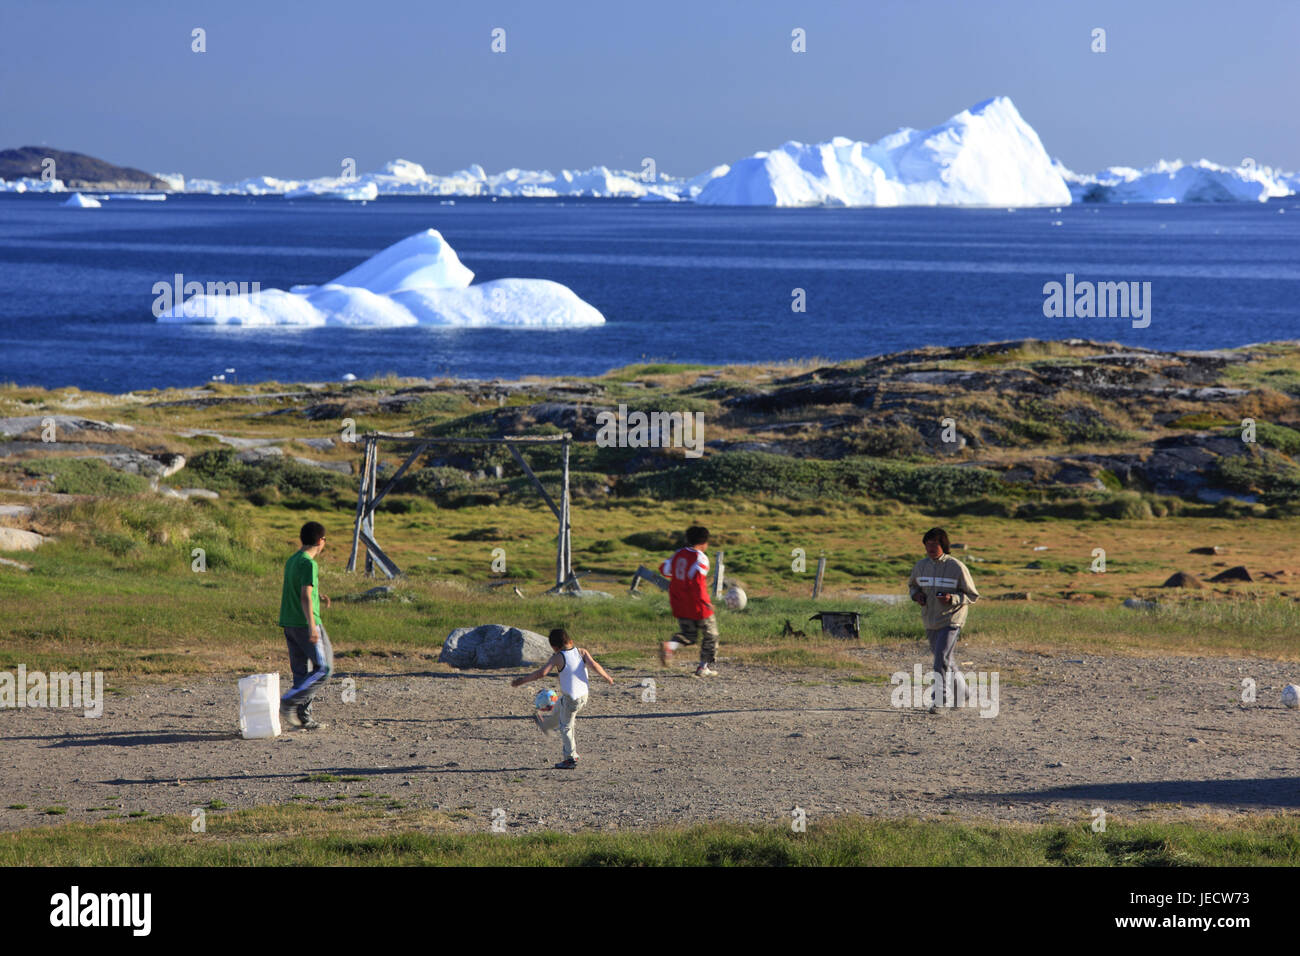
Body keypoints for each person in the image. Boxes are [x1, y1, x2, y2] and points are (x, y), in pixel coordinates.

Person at [512, 628, 613, 769]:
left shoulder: (558, 657)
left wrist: (522, 681)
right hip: (583, 696)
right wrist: (607, 677)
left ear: (554, 646)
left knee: (566, 726)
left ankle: (570, 758)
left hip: (572, 699)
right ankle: (546, 725)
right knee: (559, 705)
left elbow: (542, 673)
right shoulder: (581, 652)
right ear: (569, 640)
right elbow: (594, 665)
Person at [906, 527, 979, 714]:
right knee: (945, 658)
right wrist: (917, 596)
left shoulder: (957, 567)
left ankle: (940, 701)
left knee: (940, 659)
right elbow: (912, 586)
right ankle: (964, 692)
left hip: (952, 618)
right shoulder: (920, 566)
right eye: (927, 544)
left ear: (943, 545)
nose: (930, 548)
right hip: (930, 619)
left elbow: (972, 595)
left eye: (934, 544)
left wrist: (952, 599)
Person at [277, 521, 334, 730]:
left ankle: (303, 718)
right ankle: (289, 701)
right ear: (320, 541)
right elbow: (304, 596)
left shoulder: (293, 560)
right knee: (323, 669)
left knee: (301, 672)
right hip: (305, 622)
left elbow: (300, 589)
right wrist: (312, 626)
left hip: (289, 622)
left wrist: (317, 594)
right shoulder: (310, 563)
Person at [659, 526, 720, 677]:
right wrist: (706, 602)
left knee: (689, 635)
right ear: (705, 542)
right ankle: (703, 668)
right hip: (697, 604)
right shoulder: (701, 558)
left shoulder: (678, 554)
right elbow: (698, 583)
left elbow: (664, 569)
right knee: (711, 636)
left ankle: (670, 646)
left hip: (679, 602)